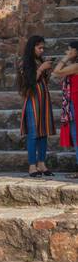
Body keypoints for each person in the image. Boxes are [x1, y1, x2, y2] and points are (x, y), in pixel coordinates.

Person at [18, 35, 54, 177]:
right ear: (32, 47)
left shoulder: (40, 61)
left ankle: (42, 164)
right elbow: (29, 81)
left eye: (43, 48)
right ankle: (32, 166)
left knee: (43, 132)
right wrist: (41, 69)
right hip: (32, 100)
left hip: (43, 99)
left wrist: (47, 70)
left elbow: (44, 81)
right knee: (33, 133)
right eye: (39, 48)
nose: (41, 50)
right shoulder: (25, 62)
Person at [52, 41, 78, 172]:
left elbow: (57, 71)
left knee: (76, 135)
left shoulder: (76, 66)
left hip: (76, 102)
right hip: (74, 101)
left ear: (75, 51)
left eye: (69, 50)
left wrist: (66, 58)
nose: (66, 52)